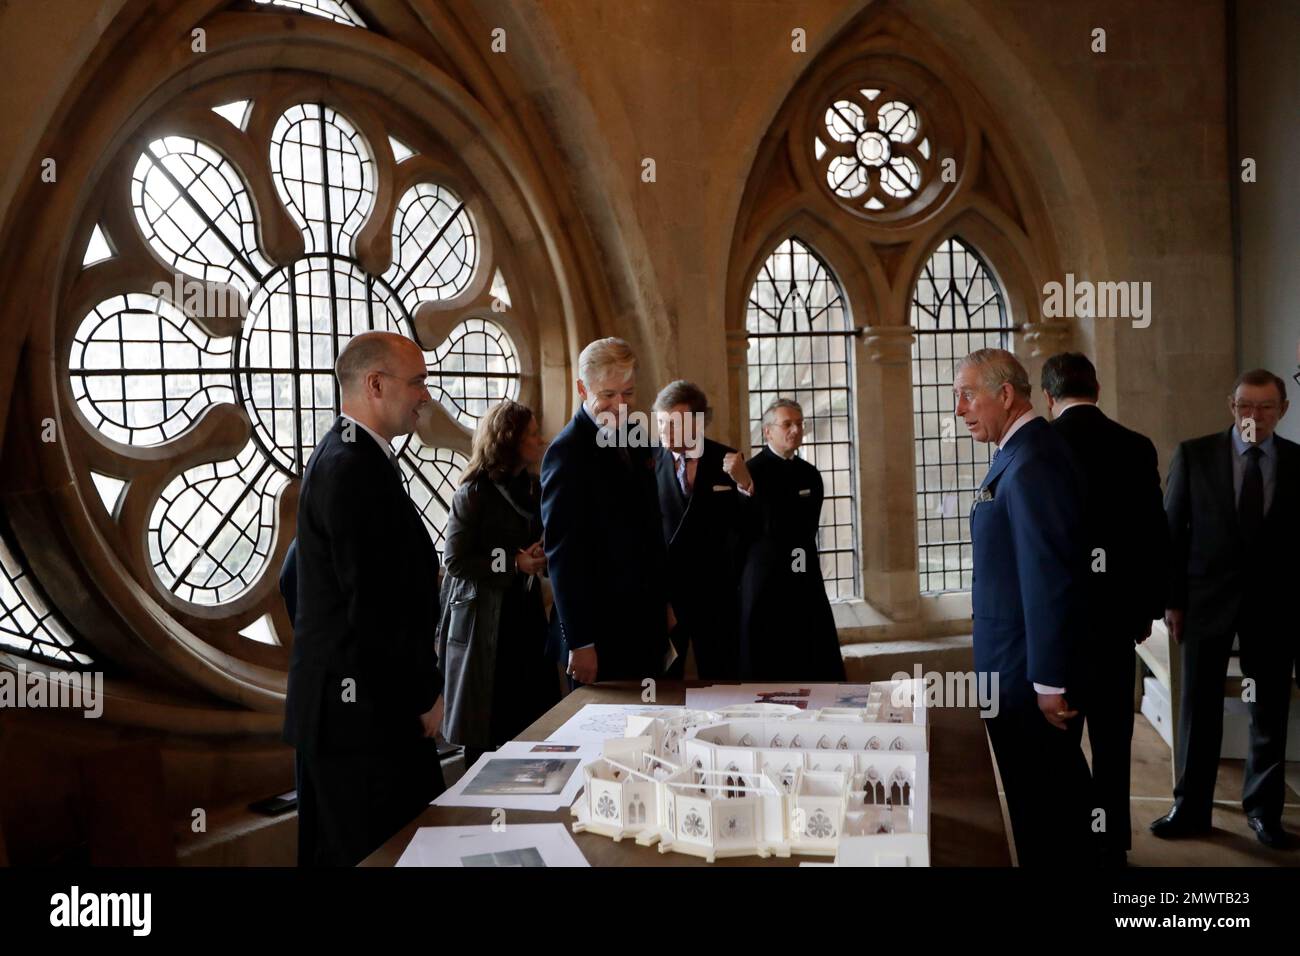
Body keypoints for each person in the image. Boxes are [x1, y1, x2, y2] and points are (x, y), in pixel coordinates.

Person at [282, 330, 445, 867]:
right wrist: (423, 694)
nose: (426, 394)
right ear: (376, 384)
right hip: (363, 723)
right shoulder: (352, 468)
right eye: (418, 381)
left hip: (354, 709)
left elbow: (296, 576)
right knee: (384, 854)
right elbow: (375, 609)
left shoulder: (348, 455)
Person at [1151, 369, 1299, 849]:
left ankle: (1264, 813)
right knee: (1199, 706)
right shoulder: (1196, 455)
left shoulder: (1298, 462)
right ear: (1230, 407)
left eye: (1265, 407)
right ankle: (1190, 808)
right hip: (1204, 603)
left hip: (1274, 609)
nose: (1253, 416)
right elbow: (1172, 534)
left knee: (1267, 710)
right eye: (1244, 406)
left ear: (1283, 410)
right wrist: (1172, 600)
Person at [958, 348, 1091, 867]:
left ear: (1006, 394)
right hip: (1012, 669)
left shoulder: (1034, 458)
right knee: (1038, 807)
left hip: (1028, 676)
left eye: (968, 395)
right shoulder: (1017, 452)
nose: (960, 409)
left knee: (1049, 810)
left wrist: (1050, 682)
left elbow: (1049, 575)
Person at [1042, 352, 1169, 868]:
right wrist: (1143, 614)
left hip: (1060, 631)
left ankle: (1073, 843)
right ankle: (1111, 845)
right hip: (1117, 629)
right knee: (1114, 746)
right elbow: (1153, 539)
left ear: (1049, 397)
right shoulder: (1136, 447)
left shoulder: (1043, 448)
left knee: (1061, 748)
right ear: (1095, 388)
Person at [540, 337, 672, 685]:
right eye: (608, 395)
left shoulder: (635, 435)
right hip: (597, 637)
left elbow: (650, 528)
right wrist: (580, 641)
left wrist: (664, 603)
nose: (620, 406)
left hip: (645, 625)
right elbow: (563, 556)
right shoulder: (566, 453)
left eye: (628, 394)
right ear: (583, 389)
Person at [437, 400, 559, 766]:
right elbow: (455, 560)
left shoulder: (536, 488)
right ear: (510, 439)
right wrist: (512, 561)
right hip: (484, 626)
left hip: (526, 617)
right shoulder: (473, 493)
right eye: (532, 434)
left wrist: (540, 556)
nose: (541, 440)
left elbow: (539, 544)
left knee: (533, 726)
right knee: (489, 730)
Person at [739, 399, 846, 682]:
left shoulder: (810, 474)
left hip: (802, 572)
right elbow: (752, 529)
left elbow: (805, 526)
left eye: (799, 423)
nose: (795, 430)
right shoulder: (749, 473)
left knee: (811, 652)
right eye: (787, 424)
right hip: (764, 576)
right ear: (767, 432)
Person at [652, 380, 754, 679]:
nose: (664, 432)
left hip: (716, 593)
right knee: (664, 682)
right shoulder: (646, 462)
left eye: (673, 424)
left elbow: (748, 528)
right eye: (661, 423)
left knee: (722, 677)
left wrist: (745, 484)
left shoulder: (729, 459)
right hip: (667, 595)